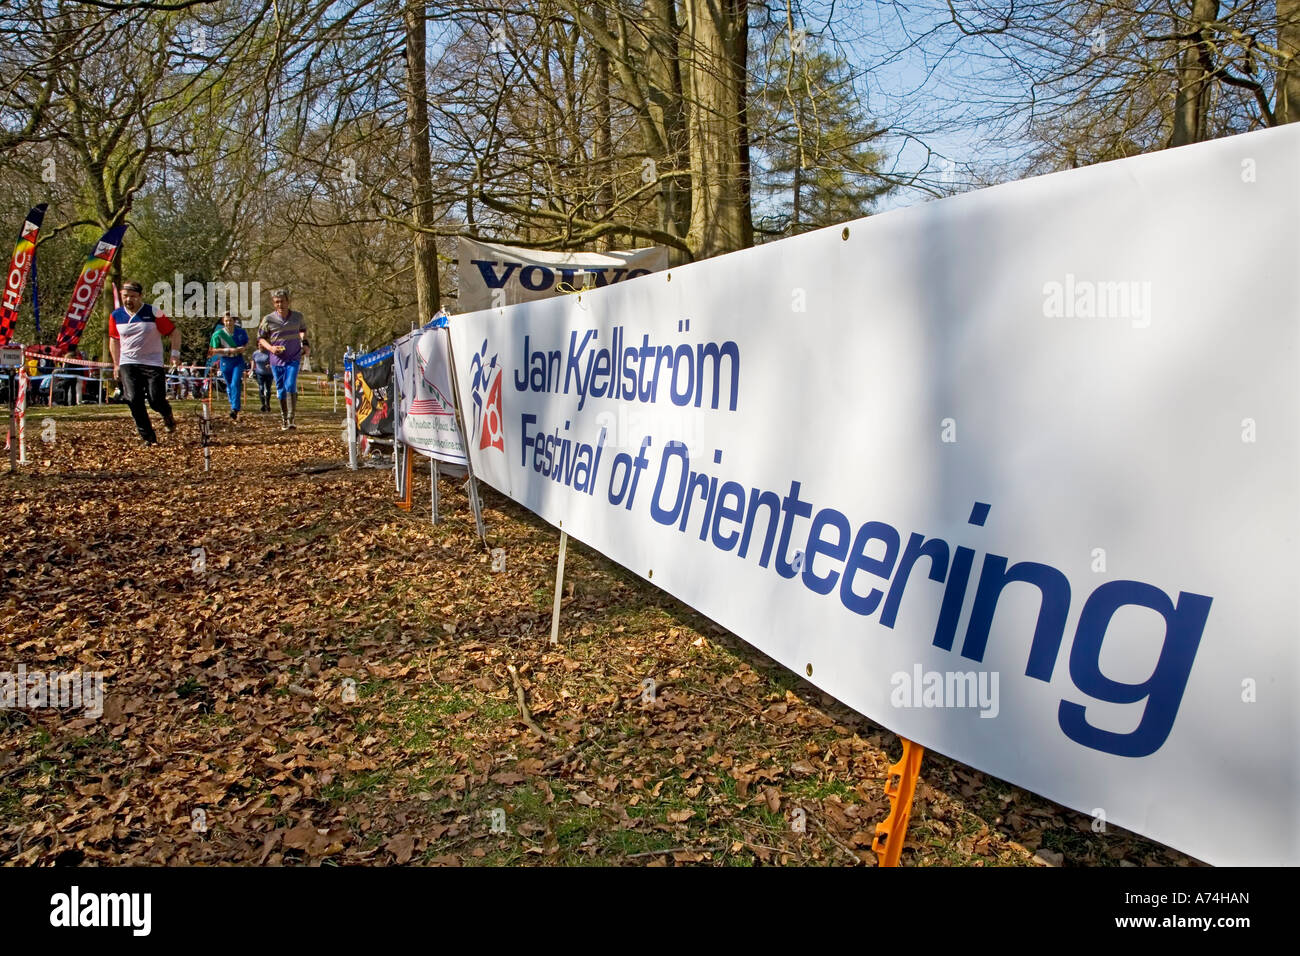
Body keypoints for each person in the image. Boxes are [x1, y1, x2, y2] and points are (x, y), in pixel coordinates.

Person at [109, 280, 180, 446]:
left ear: (140, 296)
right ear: (121, 295)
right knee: (133, 399)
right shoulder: (116, 316)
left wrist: (175, 354)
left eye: (133, 296)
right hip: (128, 362)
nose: (129, 300)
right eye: (125, 296)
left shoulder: (153, 312)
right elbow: (114, 340)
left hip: (152, 362)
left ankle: (167, 414)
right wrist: (116, 364)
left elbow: (174, 333)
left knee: (156, 400)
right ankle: (148, 437)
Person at [258, 287, 310, 430]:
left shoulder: (297, 317)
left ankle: (291, 418)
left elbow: (303, 331)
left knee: (290, 384)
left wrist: (305, 345)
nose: (280, 305)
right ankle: (284, 419)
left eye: (282, 301)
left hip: (294, 357)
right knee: (281, 389)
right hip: (276, 359)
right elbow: (261, 338)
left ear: (288, 301)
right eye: (276, 302)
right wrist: (271, 348)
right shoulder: (268, 319)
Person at [210, 312, 249, 420]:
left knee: (235, 382)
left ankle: (235, 408)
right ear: (223, 321)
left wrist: (243, 348)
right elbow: (213, 350)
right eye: (226, 320)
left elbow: (246, 343)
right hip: (225, 361)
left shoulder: (240, 332)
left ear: (234, 321)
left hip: (238, 360)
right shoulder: (218, 334)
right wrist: (228, 350)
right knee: (229, 384)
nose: (228, 323)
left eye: (230, 320)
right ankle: (233, 404)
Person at [250, 343, 274, 412]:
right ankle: (263, 405)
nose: (261, 346)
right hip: (260, 373)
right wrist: (251, 369)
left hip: (269, 373)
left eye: (262, 345)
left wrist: (270, 364)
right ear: (258, 346)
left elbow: (274, 361)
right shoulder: (255, 353)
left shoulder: (269, 353)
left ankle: (268, 404)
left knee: (268, 389)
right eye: (260, 345)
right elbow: (253, 360)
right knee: (261, 388)